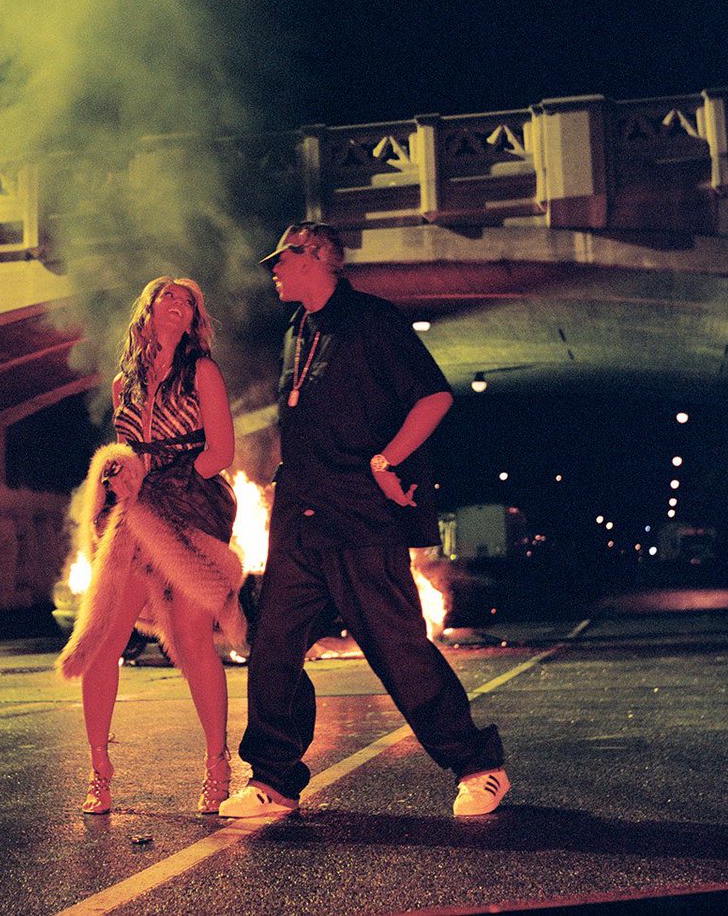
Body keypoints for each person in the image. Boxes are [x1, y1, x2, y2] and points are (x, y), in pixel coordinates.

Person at [219, 222, 509, 819]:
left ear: (316, 257)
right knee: (273, 648)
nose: (273, 269)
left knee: (397, 648)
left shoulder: (372, 321)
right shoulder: (296, 331)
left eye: (282, 258)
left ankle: (479, 768)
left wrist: (387, 460)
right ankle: (273, 781)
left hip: (360, 517)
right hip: (299, 519)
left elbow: (433, 396)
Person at [58, 277, 245, 815]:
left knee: (191, 637)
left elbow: (221, 452)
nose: (179, 304)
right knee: (104, 639)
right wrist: (121, 476)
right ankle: (99, 770)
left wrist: (166, 482)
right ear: (148, 311)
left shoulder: (202, 371)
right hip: (134, 514)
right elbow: (128, 450)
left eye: (189, 301)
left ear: (193, 320)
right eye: (169, 296)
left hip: (193, 509)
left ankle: (217, 764)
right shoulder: (125, 383)